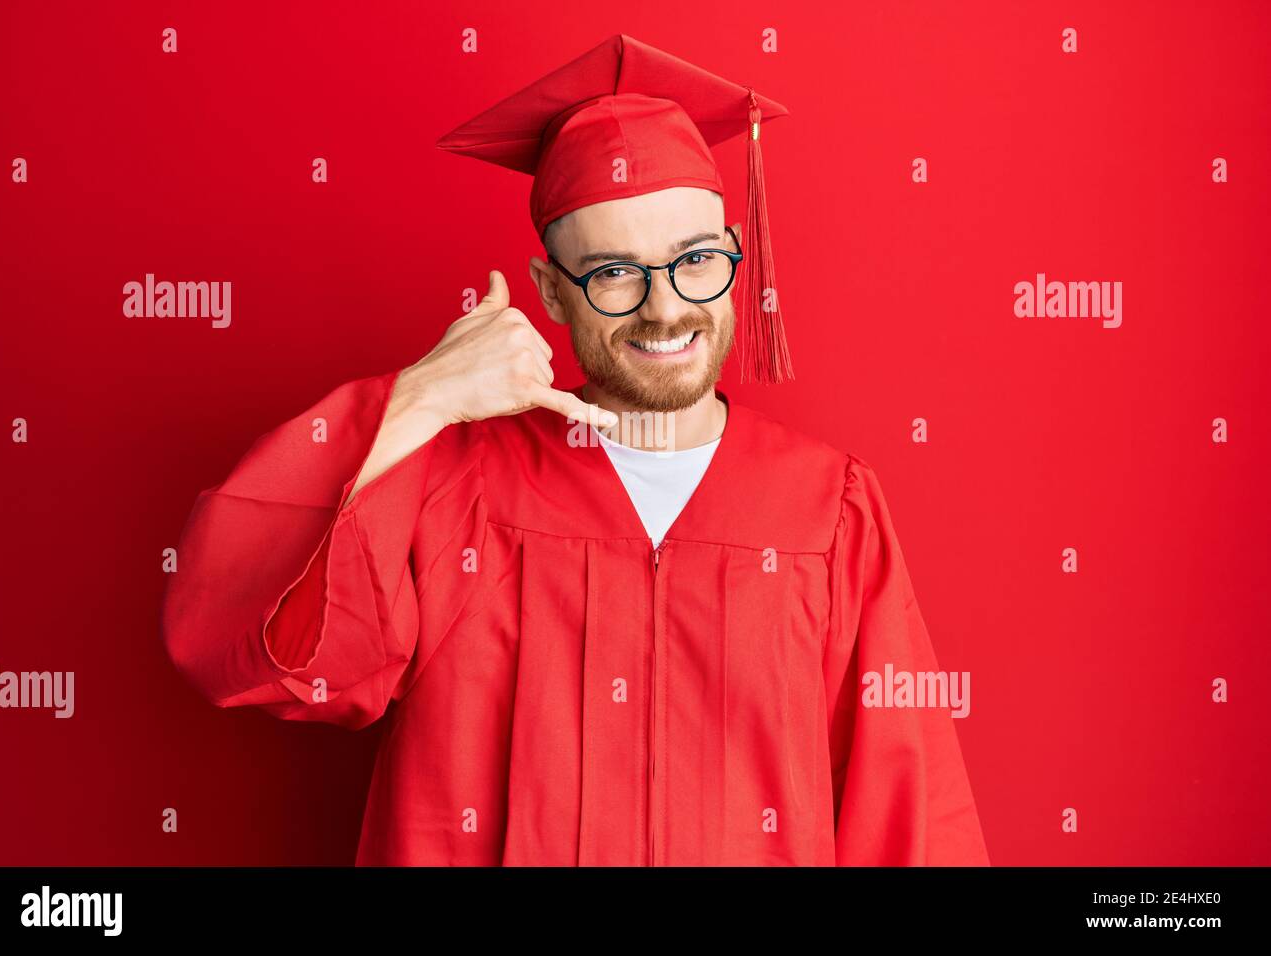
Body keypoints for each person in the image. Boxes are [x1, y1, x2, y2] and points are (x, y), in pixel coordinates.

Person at [161, 34, 990, 866]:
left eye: (694, 260)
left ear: (735, 262)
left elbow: (906, 808)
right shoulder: (456, 484)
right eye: (615, 274)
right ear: (552, 288)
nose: (665, 309)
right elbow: (270, 659)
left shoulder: (829, 507)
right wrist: (418, 399)